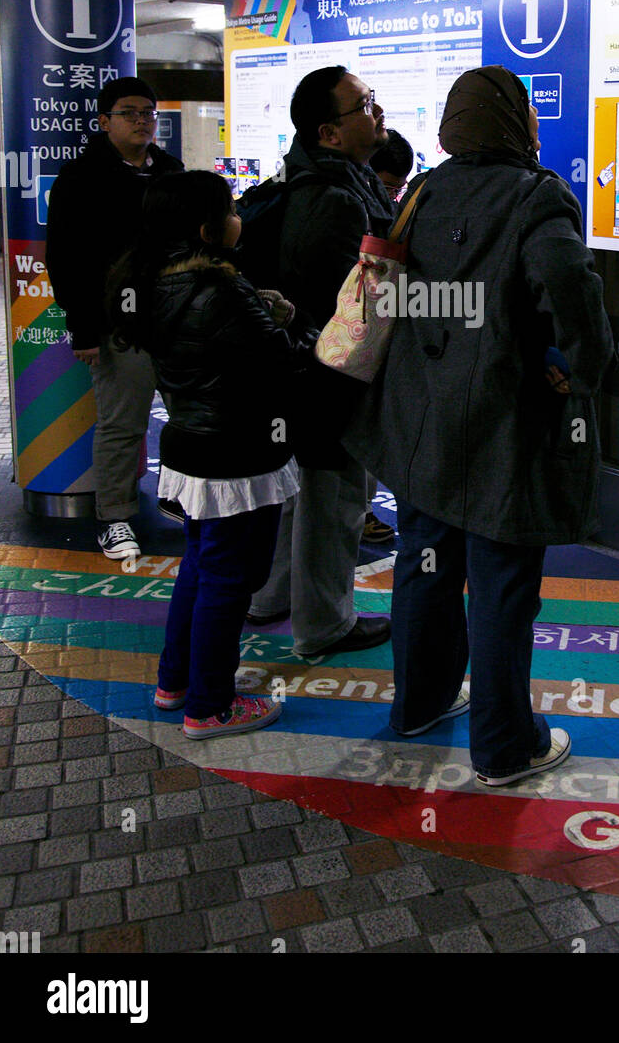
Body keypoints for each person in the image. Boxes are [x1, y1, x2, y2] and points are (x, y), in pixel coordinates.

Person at [342, 66, 615, 787]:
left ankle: (420, 705)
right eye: (526, 110)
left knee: (425, 565)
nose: (533, 121)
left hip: (424, 422)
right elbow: (570, 296)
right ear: (511, 120)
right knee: (501, 584)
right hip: (504, 427)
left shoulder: (425, 190)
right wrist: (582, 368)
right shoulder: (536, 195)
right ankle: (504, 746)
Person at [107, 169, 303, 738]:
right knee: (231, 576)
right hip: (235, 452)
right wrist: (293, 327)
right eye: (231, 209)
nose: (239, 216)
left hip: (192, 448)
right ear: (206, 227)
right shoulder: (219, 288)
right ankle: (210, 706)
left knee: (201, 564)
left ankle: (179, 681)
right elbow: (280, 361)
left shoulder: (154, 282)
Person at [246, 67, 393, 660]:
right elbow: (345, 305)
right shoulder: (335, 201)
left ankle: (271, 597)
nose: (376, 110)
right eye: (364, 104)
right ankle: (325, 624)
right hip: (329, 376)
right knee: (334, 500)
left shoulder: (326, 183)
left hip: (302, 374)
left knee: (296, 492)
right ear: (330, 133)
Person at [45, 77, 183, 564]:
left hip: (174, 319)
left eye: (148, 111)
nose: (143, 120)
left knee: (188, 416)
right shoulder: (80, 178)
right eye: (129, 112)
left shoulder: (170, 170)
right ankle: (116, 517)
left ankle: (183, 497)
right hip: (116, 324)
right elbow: (65, 258)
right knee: (122, 424)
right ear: (104, 121)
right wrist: (83, 328)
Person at [361, 130, 417, 544]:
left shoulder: (382, 203)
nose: (393, 194)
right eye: (388, 185)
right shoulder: (350, 202)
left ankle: (361, 510)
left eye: (399, 187)